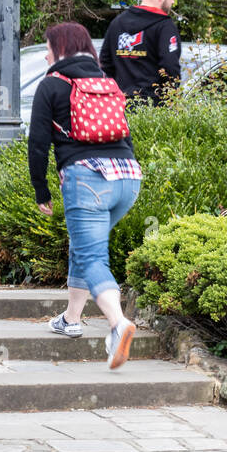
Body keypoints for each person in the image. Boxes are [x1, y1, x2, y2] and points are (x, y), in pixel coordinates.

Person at [27, 23, 142, 370]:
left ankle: (118, 324)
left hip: (88, 179)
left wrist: (41, 190)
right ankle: (71, 319)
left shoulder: (52, 84)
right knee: (84, 246)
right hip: (128, 178)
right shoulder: (107, 82)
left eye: (48, 47)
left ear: (60, 48)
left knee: (93, 257)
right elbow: (123, 132)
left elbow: (37, 144)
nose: (46, 54)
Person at [98, 0, 181, 105]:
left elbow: (105, 64)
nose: (172, 2)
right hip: (152, 111)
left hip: (120, 107)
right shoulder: (165, 26)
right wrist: (170, 101)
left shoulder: (118, 23)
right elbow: (170, 68)